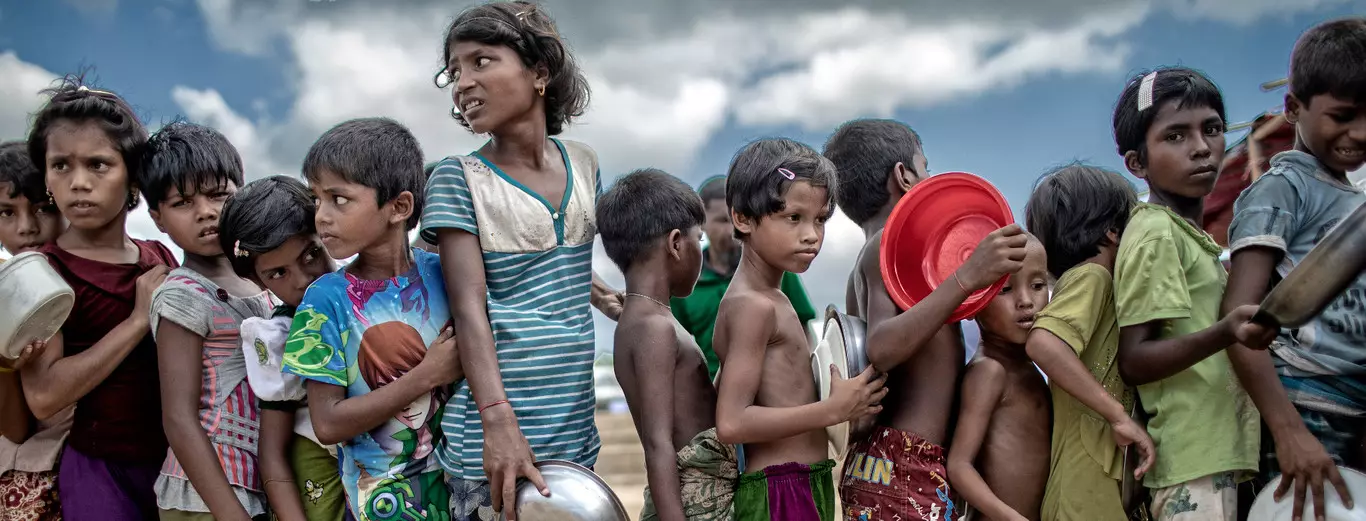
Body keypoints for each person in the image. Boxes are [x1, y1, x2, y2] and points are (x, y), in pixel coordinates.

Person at [421, 3, 626, 519]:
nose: (462, 83)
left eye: (481, 61)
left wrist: (610, 299)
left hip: (576, 426)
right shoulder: (458, 178)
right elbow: (468, 306)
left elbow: (562, 263)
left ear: (539, 72)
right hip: (497, 440)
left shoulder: (584, 163)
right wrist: (498, 422)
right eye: (455, 70)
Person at [822, 118, 1024, 521]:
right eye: (926, 166)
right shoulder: (884, 248)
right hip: (906, 461)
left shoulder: (863, 269)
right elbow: (882, 346)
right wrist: (968, 276)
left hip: (882, 460)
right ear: (905, 176)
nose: (930, 175)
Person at [1110, 67, 1275, 521]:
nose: (1202, 147)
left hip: (1217, 453)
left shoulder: (1190, 236)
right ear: (1137, 163)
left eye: (1213, 129)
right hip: (1192, 458)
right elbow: (1135, 358)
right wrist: (1225, 332)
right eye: (1176, 136)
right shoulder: (1157, 233)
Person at [282, 118, 462, 521]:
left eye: (338, 199)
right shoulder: (325, 300)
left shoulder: (446, 275)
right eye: (317, 199)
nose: (321, 217)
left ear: (399, 206)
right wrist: (425, 375)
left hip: (463, 491)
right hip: (381, 504)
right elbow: (327, 423)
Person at [1222, 17, 1366, 521]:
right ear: (1292, 108)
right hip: (1306, 409)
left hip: (1354, 412)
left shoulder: (1353, 202)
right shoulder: (1282, 190)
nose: (1360, 133)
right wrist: (1288, 430)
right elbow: (1240, 323)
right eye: (1343, 115)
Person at [19, 79, 175, 521]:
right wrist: (135, 322)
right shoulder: (41, 271)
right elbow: (44, 396)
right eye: (61, 166)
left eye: (99, 165)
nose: (79, 183)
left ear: (132, 177)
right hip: (99, 471)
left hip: (176, 463)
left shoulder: (159, 257)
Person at [711, 138, 885, 521]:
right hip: (780, 490)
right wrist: (832, 409)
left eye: (820, 219)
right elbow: (732, 422)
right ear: (742, 218)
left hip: (801, 481)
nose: (812, 235)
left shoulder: (771, 297)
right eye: (794, 218)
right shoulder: (752, 306)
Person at [138, 122, 272, 520]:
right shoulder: (182, 295)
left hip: (259, 482)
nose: (206, 212)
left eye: (219, 195)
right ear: (158, 218)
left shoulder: (263, 281)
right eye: (183, 203)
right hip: (206, 498)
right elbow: (178, 418)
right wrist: (231, 514)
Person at [598, 168, 735, 521]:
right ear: (676, 243)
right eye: (699, 239)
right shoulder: (653, 328)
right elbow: (659, 445)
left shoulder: (648, 318)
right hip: (693, 503)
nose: (702, 251)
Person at [1023, 164, 1156, 521]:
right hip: (1083, 487)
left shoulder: (1090, 282)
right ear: (1113, 231)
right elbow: (1044, 344)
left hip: (1092, 480)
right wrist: (1117, 416)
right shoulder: (1091, 277)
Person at [218, 176, 350, 521]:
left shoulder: (370, 297)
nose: (302, 279)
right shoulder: (278, 337)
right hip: (319, 470)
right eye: (278, 273)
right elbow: (272, 453)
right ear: (257, 281)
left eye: (311, 254)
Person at [670, 175, 817, 380]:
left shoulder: (776, 266)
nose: (732, 230)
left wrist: (808, 380)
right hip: (715, 392)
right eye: (722, 220)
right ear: (701, 224)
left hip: (779, 388)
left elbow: (804, 329)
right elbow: (675, 346)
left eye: (737, 219)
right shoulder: (686, 280)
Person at [947, 236, 1051, 521]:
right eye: (1005, 289)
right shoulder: (988, 371)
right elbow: (959, 466)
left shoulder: (1033, 366)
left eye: (1038, 286)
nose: (1026, 301)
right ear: (975, 303)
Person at [0, 140, 69, 521]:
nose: (25, 228)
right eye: (6, 213)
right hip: (27, 476)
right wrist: (6, 367)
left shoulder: (106, 280)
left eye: (43, 208)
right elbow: (14, 429)